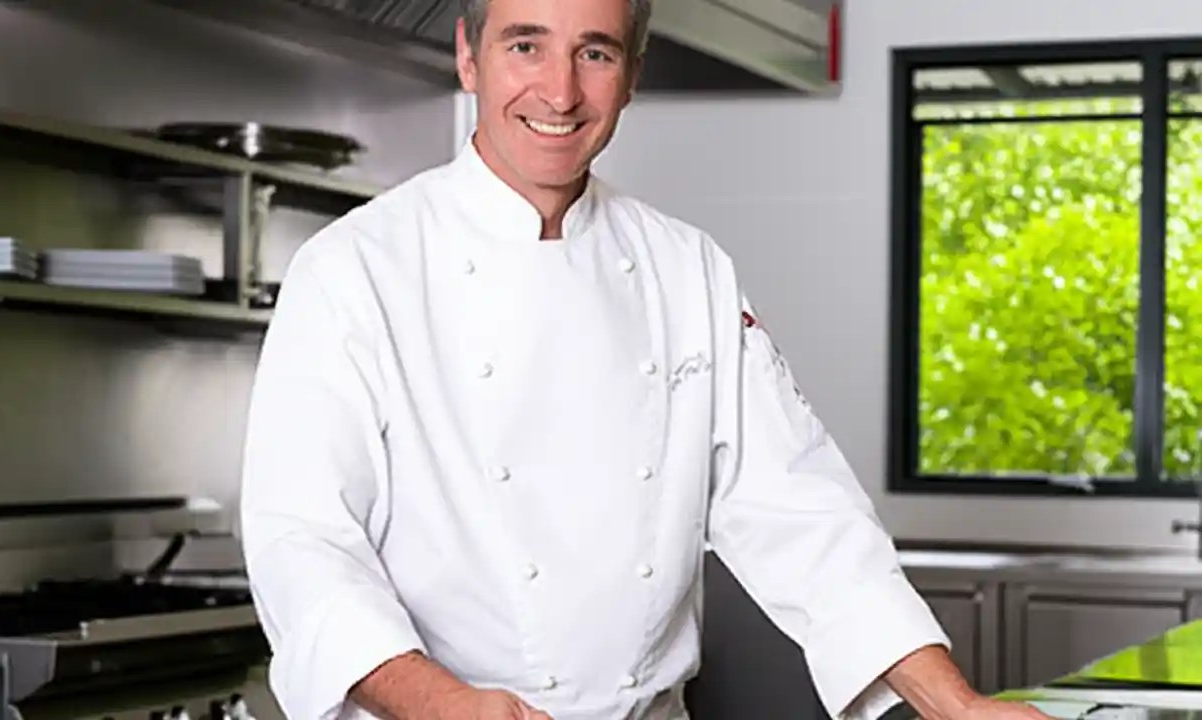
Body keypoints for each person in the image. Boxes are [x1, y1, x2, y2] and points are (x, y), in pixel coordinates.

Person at [239, 0, 1053, 718]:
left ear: (631, 73)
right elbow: (303, 544)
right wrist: (439, 705)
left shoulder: (685, 269)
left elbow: (804, 512)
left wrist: (955, 705)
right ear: (467, 56)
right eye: (526, 45)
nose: (560, 92)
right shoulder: (355, 269)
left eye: (594, 52)